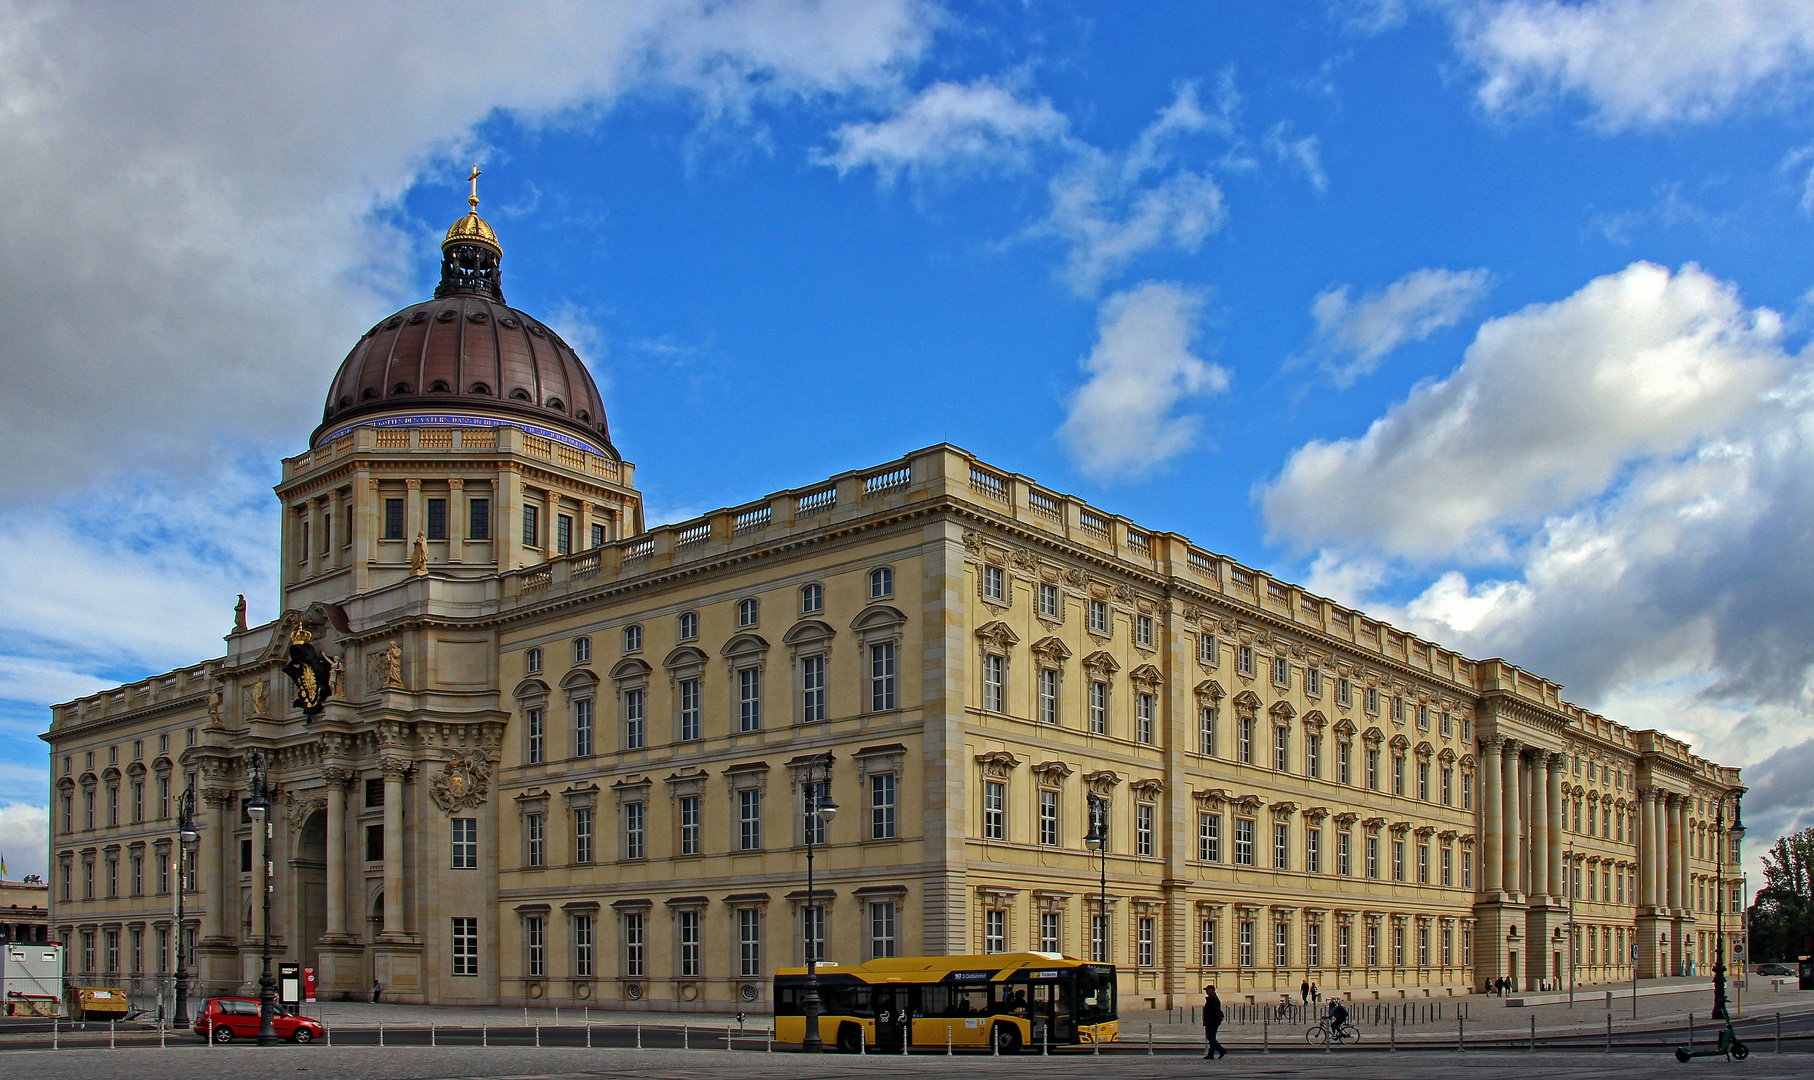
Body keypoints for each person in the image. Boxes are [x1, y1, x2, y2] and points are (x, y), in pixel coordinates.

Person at [1202, 985, 1227, 1059]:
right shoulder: (1212, 998)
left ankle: (1221, 1050)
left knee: (1210, 1037)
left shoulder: (1212, 999)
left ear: (1212, 990)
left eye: (1207, 990)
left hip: (1211, 1021)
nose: (1206, 991)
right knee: (1212, 1037)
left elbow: (1215, 1010)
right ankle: (1211, 1054)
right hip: (1212, 1021)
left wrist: (1218, 1017)